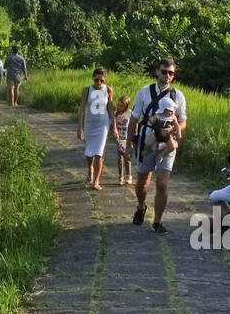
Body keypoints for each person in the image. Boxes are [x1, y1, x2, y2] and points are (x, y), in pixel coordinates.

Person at [128, 58, 187, 234]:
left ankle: (157, 221)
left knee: (162, 184)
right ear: (157, 72)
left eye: (171, 73)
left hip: (167, 144)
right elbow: (134, 119)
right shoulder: (144, 92)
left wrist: (172, 131)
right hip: (147, 139)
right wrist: (127, 144)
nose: (168, 75)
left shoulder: (178, 96)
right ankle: (141, 206)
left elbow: (182, 121)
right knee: (141, 184)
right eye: (164, 71)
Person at [77, 68, 117, 190]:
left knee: (99, 152)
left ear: (104, 79)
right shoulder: (87, 90)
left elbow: (110, 108)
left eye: (101, 80)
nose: (99, 82)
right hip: (89, 124)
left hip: (103, 124)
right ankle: (90, 169)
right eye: (96, 79)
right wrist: (80, 127)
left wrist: (114, 126)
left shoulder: (108, 90)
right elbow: (82, 109)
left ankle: (96, 181)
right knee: (89, 153)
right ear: (93, 78)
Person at [114, 95, 133, 185]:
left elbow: (134, 125)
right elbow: (113, 126)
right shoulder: (115, 114)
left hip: (128, 139)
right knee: (120, 158)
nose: (119, 107)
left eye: (121, 106)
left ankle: (128, 176)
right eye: (118, 105)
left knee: (127, 158)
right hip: (119, 139)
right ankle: (120, 176)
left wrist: (134, 135)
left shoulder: (130, 113)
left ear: (126, 106)